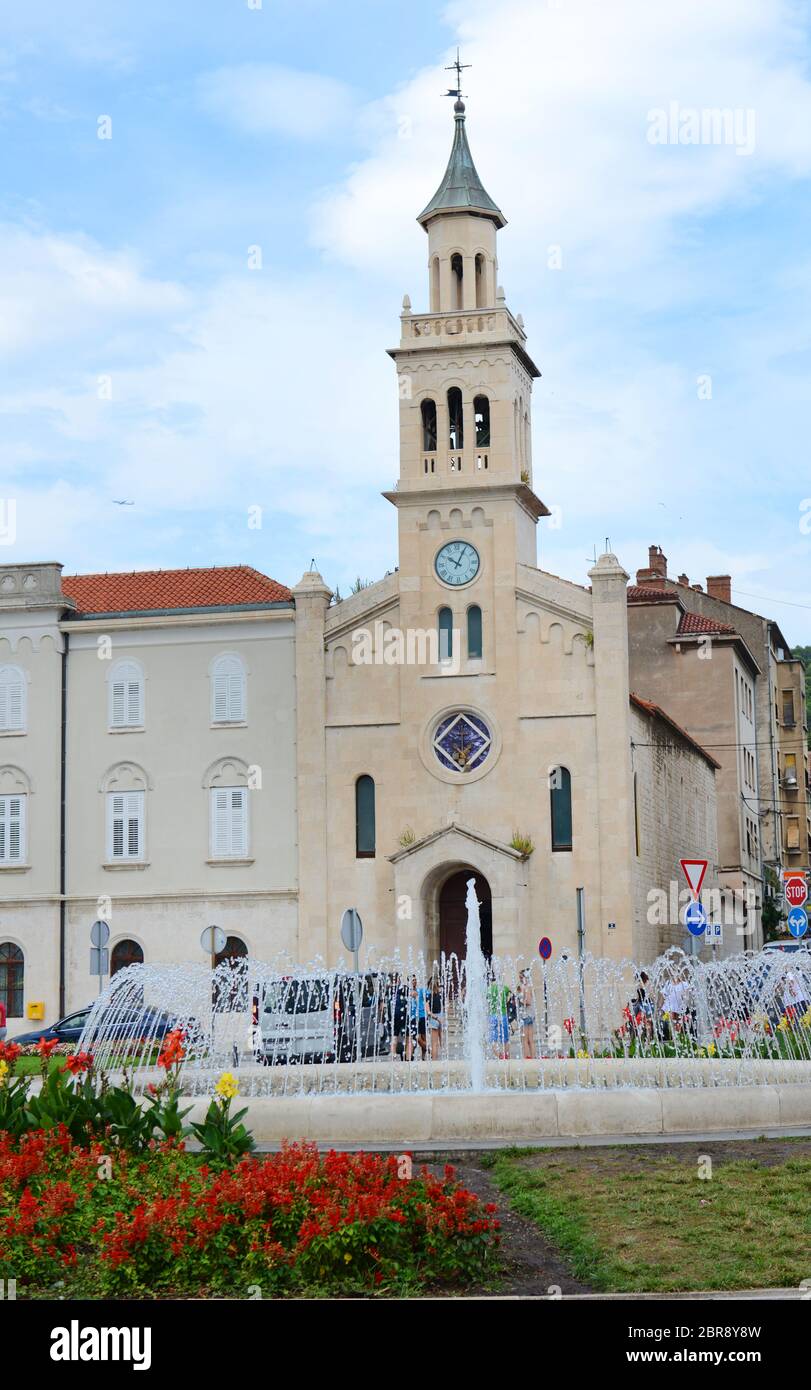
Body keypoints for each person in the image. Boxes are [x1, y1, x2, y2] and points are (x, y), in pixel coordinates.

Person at [487, 971, 512, 1060]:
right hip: (503, 1014)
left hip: (493, 1015)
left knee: (493, 1039)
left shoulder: (489, 989)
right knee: (505, 1038)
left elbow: (487, 1001)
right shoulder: (505, 988)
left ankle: (499, 1055)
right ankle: (506, 1055)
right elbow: (509, 998)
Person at [406, 975, 427, 1061]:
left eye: (415, 980)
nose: (414, 982)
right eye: (412, 980)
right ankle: (428, 1048)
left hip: (422, 1016)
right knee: (416, 1037)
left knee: (423, 1036)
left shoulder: (420, 990)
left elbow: (426, 999)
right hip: (413, 1017)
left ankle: (423, 1056)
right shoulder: (407, 991)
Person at [517, 969, 536, 1059]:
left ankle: (527, 1058)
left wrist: (520, 1001)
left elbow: (528, 1001)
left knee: (525, 1039)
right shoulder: (529, 986)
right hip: (530, 1015)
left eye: (521, 977)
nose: (520, 979)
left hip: (525, 1015)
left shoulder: (526, 987)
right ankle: (533, 1058)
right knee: (530, 1039)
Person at [389, 975, 409, 1059]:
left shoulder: (390, 990)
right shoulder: (402, 989)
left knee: (394, 1036)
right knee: (407, 1036)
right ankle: (407, 1054)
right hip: (402, 1015)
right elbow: (410, 993)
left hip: (394, 1016)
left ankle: (393, 1055)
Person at [426, 971, 443, 1061]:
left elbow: (428, 1012)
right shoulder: (439, 995)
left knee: (434, 1042)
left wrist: (436, 1018)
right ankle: (443, 1058)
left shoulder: (428, 996)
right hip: (440, 1016)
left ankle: (435, 1061)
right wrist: (441, 1018)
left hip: (434, 1019)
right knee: (441, 1040)